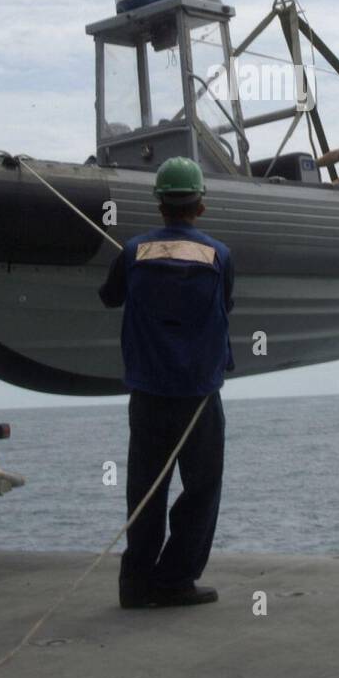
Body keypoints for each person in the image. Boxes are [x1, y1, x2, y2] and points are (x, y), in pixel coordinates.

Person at [99, 157, 234, 609]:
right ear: (201, 205)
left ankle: (135, 584)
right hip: (198, 395)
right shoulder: (219, 256)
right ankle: (175, 578)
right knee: (201, 488)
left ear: (159, 205)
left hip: (149, 392)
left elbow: (108, 297)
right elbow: (226, 304)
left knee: (145, 489)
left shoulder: (133, 251)